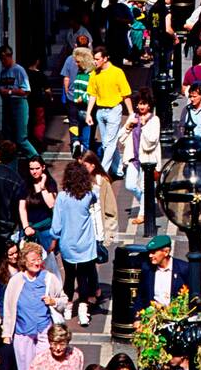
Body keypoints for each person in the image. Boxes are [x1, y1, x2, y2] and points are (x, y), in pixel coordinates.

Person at [1, 242, 67, 370]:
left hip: (44, 330)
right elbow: (8, 309)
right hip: (22, 332)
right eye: (33, 260)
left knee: (44, 366)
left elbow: (64, 300)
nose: (37, 263)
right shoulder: (15, 281)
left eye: (39, 259)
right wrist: (6, 334)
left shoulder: (49, 278)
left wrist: (53, 301)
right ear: (24, 261)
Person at [48, 159, 99, 327]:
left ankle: (68, 307)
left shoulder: (62, 198)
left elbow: (56, 224)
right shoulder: (89, 196)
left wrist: (54, 237)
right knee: (83, 278)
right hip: (86, 243)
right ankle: (83, 312)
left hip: (67, 244)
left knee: (70, 277)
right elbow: (96, 196)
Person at [84, 46, 133, 175]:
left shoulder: (117, 72)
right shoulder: (94, 73)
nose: (95, 62)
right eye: (94, 59)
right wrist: (89, 113)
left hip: (114, 111)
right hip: (100, 112)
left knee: (108, 144)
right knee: (108, 143)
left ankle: (102, 172)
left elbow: (125, 94)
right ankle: (118, 170)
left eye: (97, 59)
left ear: (105, 59)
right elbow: (92, 95)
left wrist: (131, 113)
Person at [118, 89, 162, 227]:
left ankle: (143, 213)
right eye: (139, 104)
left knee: (144, 187)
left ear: (149, 105)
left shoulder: (154, 120)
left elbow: (152, 141)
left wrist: (143, 126)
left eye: (144, 104)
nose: (141, 107)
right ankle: (147, 204)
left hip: (148, 159)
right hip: (133, 158)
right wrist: (128, 128)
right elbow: (121, 139)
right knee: (130, 185)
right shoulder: (133, 117)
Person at [133, 235, 190, 317]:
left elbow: (193, 296)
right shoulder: (147, 269)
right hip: (153, 318)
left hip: (176, 318)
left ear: (166, 252)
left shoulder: (183, 269)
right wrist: (137, 318)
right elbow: (140, 295)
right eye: (149, 252)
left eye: (154, 252)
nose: (150, 256)